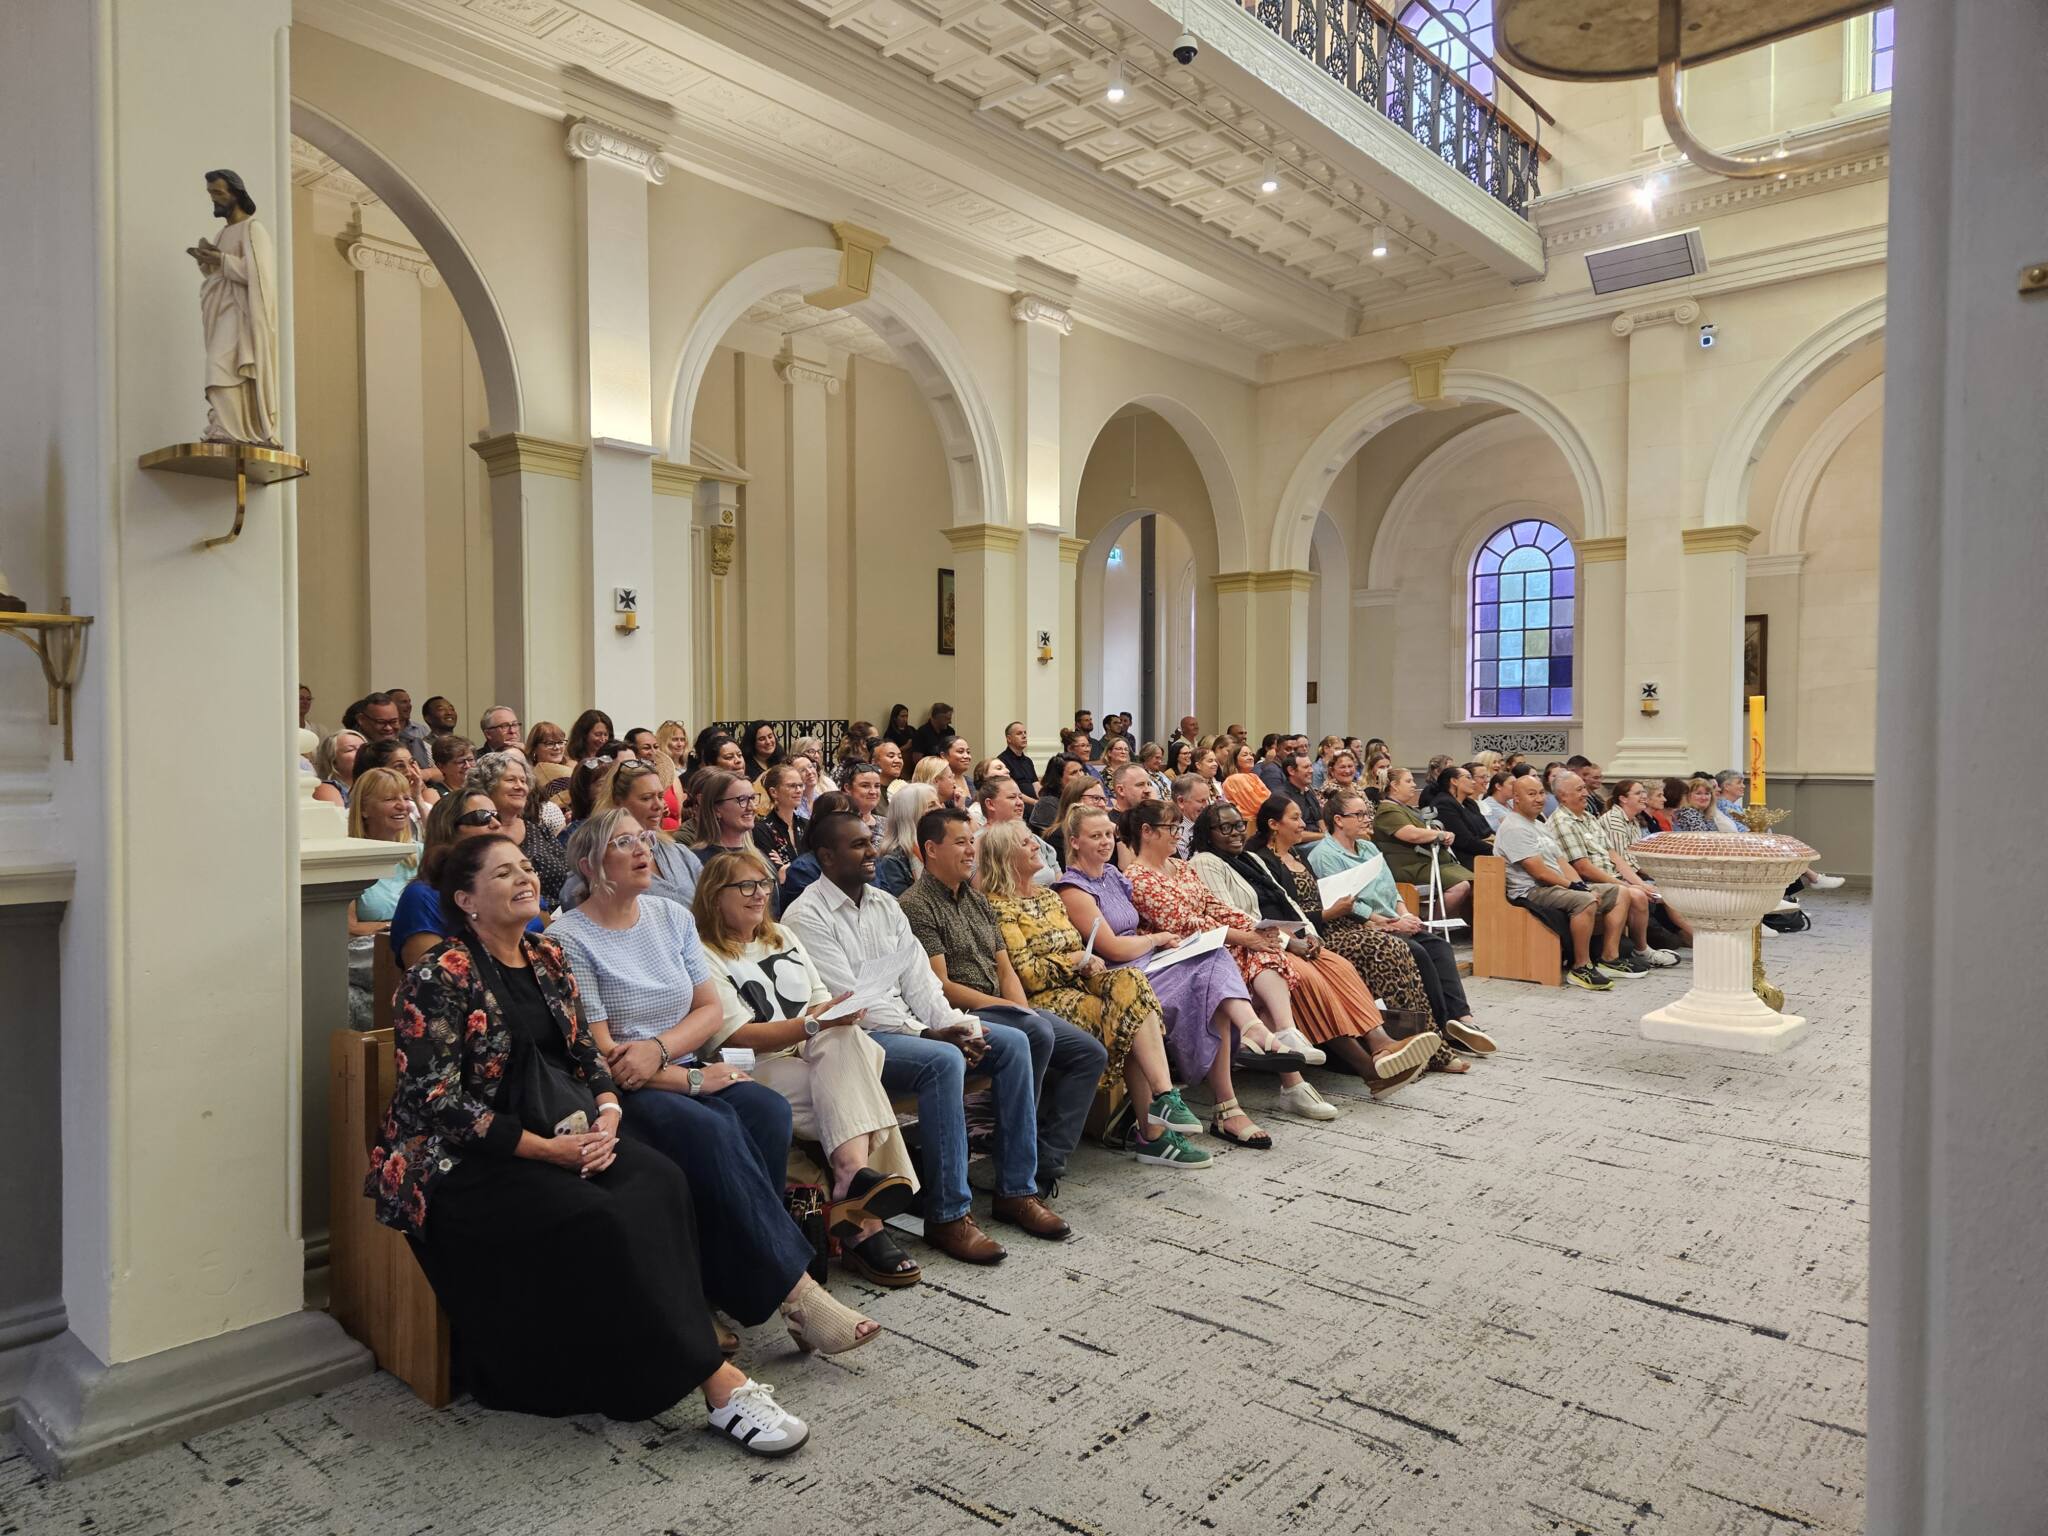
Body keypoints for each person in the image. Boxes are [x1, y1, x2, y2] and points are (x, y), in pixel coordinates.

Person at [369, 834, 811, 1450]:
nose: (525, 877)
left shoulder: (547, 957)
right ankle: (718, 1382)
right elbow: (434, 1102)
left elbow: (583, 1054)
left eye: (526, 866)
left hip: (563, 1130)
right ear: (466, 899)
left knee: (660, 1180)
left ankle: (684, 1337)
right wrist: (546, 1150)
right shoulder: (439, 975)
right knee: (603, 1214)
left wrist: (606, 1113)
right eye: (504, 873)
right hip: (461, 1161)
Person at [550, 813, 883, 1357]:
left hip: (678, 1065)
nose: (643, 848)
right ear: (589, 865)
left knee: (765, 1112)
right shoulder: (567, 936)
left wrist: (668, 1053)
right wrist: (685, 1076)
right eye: (623, 842)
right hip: (627, 1089)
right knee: (711, 1131)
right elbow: (606, 1052)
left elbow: (707, 1010)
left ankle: (735, 1278)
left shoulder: (669, 917)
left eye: (644, 838)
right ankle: (794, 1295)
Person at [785, 812, 1050, 1265]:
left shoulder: (885, 905)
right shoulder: (806, 916)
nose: (872, 851)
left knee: (1013, 1043)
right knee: (942, 1061)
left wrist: (952, 1024)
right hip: (859, 1040)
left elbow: (920, 981)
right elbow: (853, 1004)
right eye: (857, 845)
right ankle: (948, 1216)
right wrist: (930, 1034)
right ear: (826, 857)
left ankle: (1016, 1190)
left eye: (870, 842)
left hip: (913, 1026)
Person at [694, 848, 922, 1288]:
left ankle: (848, 1179)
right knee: (857, 1099)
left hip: (814, 1051)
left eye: (763, 884)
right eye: (745, 886)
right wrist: (817, 1021)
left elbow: (818, 1000)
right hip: (756, 1065)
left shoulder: (781, 935)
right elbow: (735, 1035)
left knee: (847, 1039)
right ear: (713, 895)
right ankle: (864, 1216)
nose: (758, 894)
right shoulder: (706, 953)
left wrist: (838, 1010)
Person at [899, 806, 1103, 1219]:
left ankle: (1045, 1159)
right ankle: (1017, 1176)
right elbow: (940, 985)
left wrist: (1022, 1009)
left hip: (1003, 1007)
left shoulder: (975, 899)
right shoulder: (916, 905)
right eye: (960, 842)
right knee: (1036, 1035)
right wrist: (1011, 1009)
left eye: (971, 840)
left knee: (1088, 1053)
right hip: (960, 1013)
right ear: (930, 850)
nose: (970, 849)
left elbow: (1005, 967)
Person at [977, 822, 1209, 1168]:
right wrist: (1074, 961)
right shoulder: (998, 907)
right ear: (1004, 856)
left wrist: (1085, 961)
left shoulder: (1048, 897)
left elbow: (1075, 947)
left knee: (1130, 983)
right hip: (1042, 1000)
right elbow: (1026, 974)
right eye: (1025, 843)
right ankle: (1153, 1133)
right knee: (1128, 1018)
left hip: (1079, 984)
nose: (1035, 846)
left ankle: (1163, 1098)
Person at [1055, 804, 1286, 1142]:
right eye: (1095, 836)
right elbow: (1113, 948)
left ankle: (1245, 1052)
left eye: (1108, 834)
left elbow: (1200, 910)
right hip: (1122, 976)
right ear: (1074, 842)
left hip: (1148, 962)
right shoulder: (1074, 888)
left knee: (1214, 960)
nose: (1105, 841)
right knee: (1212, 980)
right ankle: (1231, 1097)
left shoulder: (1113, 877)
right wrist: (1158, 939)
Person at [1186, 801, 1440, 1090]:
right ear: (1208, 832)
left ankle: (1381, 1041)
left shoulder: (1249, 859)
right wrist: (1287, 942)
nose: (1235, 832)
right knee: (1307, 978)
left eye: (1239, 825)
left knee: (1338, 966)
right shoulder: (1205, 861)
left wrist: (1309, 931)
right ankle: (1366, 1068)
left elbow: (1285, 898)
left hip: (1280, 937)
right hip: (1252, 945)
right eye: (1225, 827)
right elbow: (1232, 913)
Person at [1311, 789, 1494, 1058]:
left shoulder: (1370, 847)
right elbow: (1346, 902)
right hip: (1360, 925)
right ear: (1339, 819)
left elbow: (1392, 889)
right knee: (1418, 952)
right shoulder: (1324, 854)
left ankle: (1462, 1020)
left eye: (1367, 813)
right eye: (1359, 814)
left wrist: (1405, 914)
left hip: (1392, 919)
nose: (1366, 819)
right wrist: (1386, 923)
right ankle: (1441, 1027)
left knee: (1439, 947)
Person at [1494, 773, 1632, 990]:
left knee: (1621, 893)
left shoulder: (1538, 824)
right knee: (1584, 901)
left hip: (1555, 885)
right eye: (1531, 794)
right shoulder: (1514, 827)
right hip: (1531, 890)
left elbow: (1561, 862)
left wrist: (1580, 884)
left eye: (1541, 793)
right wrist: (1576, 889)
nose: (1539, 799)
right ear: (1516, 798)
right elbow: (1539, 872)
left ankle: (1609, 957)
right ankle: (1580, 967)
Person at [390, 788, 538, 966]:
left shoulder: (521, 887)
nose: (495, 824)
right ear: (449, 829)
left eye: (496, 816)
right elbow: (430, 978)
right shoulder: (422, 896)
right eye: (482, 817)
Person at [1551, 772, 1678, 967]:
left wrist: (1639, 883)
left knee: (1642, 891)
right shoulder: (1562, 822)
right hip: (1589, 881)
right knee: (1635, 895)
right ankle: (1629, 952)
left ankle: (1636, 950)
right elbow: (1583, 867)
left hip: (1610, 877)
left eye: (1584, 787)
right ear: (1563, 796)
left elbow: (1614, 855)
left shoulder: (1587, 817)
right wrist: (1625, 884)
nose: (1586, 793)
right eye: (1579, 789)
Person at [558, 759, 704, 913]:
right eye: (646, 798)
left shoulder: (679, 852)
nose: (658, 805)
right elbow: (571, 896)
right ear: (618, 802)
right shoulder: (604, 856)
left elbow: (712, 901)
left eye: (660, 796)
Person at [1596, 778, 1695, 948]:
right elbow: (1623, 860)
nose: (1643, 796)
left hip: (1633, 874)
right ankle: (1692, 936)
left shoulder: (1633, 820)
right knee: (1668, 890)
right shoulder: (1614, 821)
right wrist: (1649, 880)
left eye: (1643, 792)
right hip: (1618, 876)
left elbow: (1639, 856)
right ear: (1623, 799)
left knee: (1676, 885)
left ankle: (1694, 933)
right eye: (1638, 793)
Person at [1373, 767, 1473, 923]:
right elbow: (1411, 834)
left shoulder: (1403, 808)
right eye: (1408, 781)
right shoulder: (1388, 810)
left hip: (1423, 862)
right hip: (1407, 866)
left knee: (1477, 881)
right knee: (1460, 886)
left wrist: (1443, 833)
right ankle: (1432, 926)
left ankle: (1472, 928)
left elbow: (1427, 828)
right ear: (1394, 785)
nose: (1414, 785)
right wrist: (1440, 835)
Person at [473, 749, 570, 908]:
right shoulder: (478, 833)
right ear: (487, 786)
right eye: (511, 780)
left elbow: (568, 874)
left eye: (523, 781)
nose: (520, 787)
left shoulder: (538, 830)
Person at [346, 767, 418, 937]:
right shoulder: (349, 861)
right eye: (390, 799)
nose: (402, 806)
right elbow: (350, 927)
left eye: (406, 798)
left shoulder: (422, 854)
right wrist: (395, 926)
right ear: (364, 809)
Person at [978, 774, 1059, 886]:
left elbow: (1059, 879)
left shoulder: (1033, 839)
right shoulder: (978, 844)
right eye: (1012, 797)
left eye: (1020, 797)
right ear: (990, 804)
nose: (1020, 803)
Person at [753, 763, 810, 898]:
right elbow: (775, 874)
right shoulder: (762, 829)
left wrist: (787, 867)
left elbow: (816, 866)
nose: (799, 790)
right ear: (774, 792)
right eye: (792, 786)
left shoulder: (807, 824)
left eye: (800, 785)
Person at [873, 783, 938, 896]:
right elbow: (906, 907)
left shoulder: (942, 845)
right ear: (911, 813)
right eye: (931, 805)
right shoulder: (892, 861)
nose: (940, 808)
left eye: (939, 803)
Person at [1426, 764, 1495, 868]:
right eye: (1468, 778)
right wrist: (1497, 849)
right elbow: (1464, 840)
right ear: (1454, 781)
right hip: (1464, 858)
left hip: (1484, 852)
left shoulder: (1470, 803)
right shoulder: (1443, 804)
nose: (1473, 782)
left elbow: (1487, 831)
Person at [685, 768, 759, 862]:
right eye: (742, 799)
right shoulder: (696, 860)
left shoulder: (759, 857)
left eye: (753, 798)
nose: (752, 807)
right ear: (716, 809)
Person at [313, 728, 365, 809]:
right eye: (350, 749)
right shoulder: (326, 788)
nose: (361, 752)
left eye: (364, 748)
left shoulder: (375, 787)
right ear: (333, 761)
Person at [1031, 755, 1084, 832]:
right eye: (1074, 773)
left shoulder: (1080, 798)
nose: (1081, 776)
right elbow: (1057, 837)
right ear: (1058, 779)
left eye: (1081, 770)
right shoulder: (1047, 804)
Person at [1279, 752, 1324, 837]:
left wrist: (1330, 839)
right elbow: (1292, 833)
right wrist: (1323, 837)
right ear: (1291, 771)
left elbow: (1320, 820)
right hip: (1298, 845)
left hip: (1318, 839)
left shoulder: (1308, 792)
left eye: (1311, 766)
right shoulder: (1283, 797)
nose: (1311, 770)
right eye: (1306, 767)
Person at [1220, 744, 1268, 820]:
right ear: (1235, 760)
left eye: (1251, 755)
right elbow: (1255, 804)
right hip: (1246, 824)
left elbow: (1268, 797)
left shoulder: (1253, 776)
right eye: (1245, 755)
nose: (1250, 758)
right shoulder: (1234, 779)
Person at [388, 686, 433, 767]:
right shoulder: (385, 730)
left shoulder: (421, 729)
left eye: (409, 702)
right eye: (404, 702)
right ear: (390, 705)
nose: (409, 706)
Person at [842, 763, 885, 842]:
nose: (873, 791)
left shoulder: (888, 824)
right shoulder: (840, 825)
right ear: (847, 788)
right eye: (865, 786)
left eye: (877, 786)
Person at [525, 721, 570, 789]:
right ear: (534, 748)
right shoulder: (528, 777)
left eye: (560, 742)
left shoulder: (571, 768)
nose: (557, 747)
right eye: (550, 743)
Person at [429, 733, 476, 798]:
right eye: (460, 762)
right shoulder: (433, 794)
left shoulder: (482, 787)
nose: (468, 766)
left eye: (470, 760)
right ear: (441, 766)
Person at [871, 739, 906, 805]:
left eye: (900, 757)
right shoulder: (870, 792)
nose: (897, 760)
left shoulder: (907, 789)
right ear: (875, 762)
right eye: (891, 756)